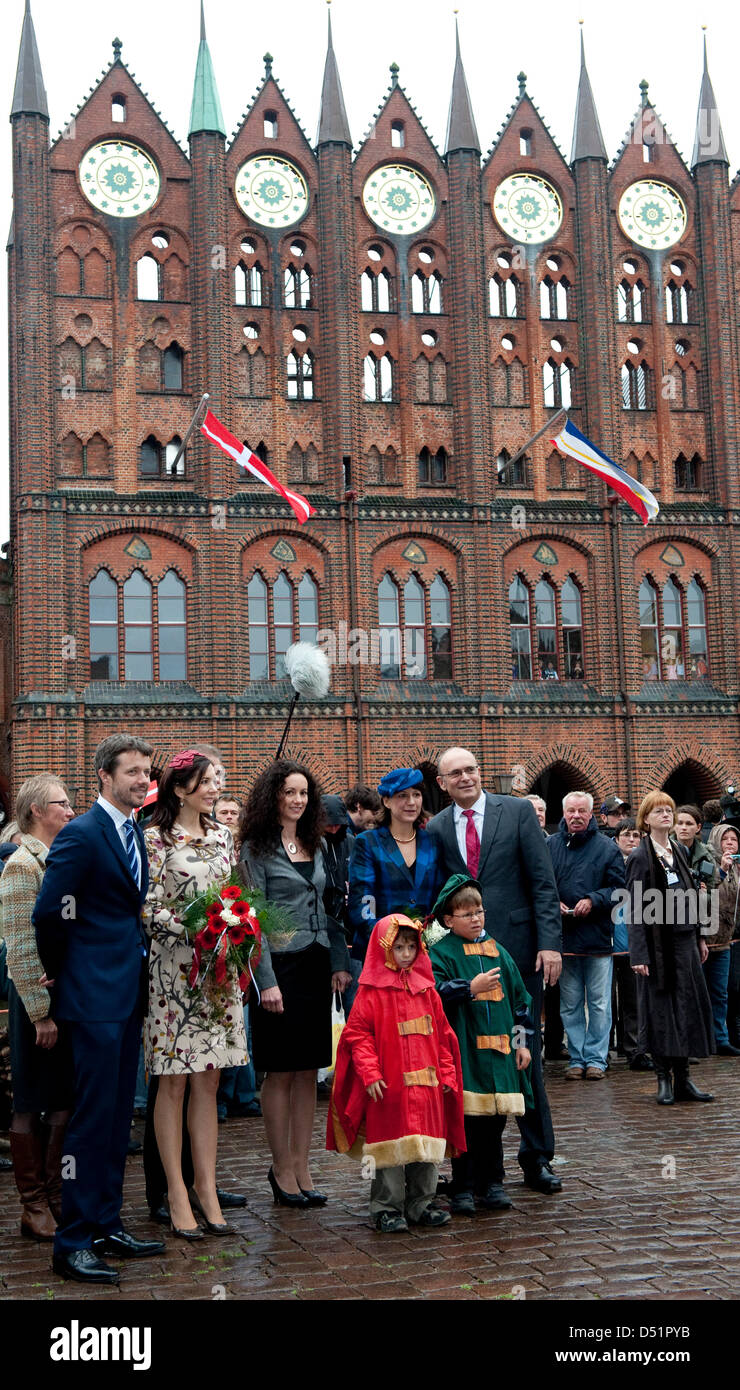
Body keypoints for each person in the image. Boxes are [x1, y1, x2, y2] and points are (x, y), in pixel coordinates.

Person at [33, 734, 165, 1285]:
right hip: (91, 1000)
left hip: (126, 995)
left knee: (116, 1119)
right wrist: (68, 978)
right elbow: (49, 915)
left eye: (146, 771)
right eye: (132, 771)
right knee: (89, 1123)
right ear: (104, 779)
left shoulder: (132, 830)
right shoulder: (82, 835)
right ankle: (73, 1242)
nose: (142, 779)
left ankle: (108, 1223)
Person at [426, 748, 563, 1195]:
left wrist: (549, 944)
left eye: (471, 769)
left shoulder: (519, 811)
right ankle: (478, 1169)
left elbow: (543, 882)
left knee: (524, 1050)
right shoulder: (439, 827)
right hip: (466, 964)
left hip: (518, 956)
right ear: (443, 783)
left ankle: (536, 1157)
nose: (465, 777)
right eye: (455, 773)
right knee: (474, 1061)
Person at [143, 749, 249, 1240]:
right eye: (206, 781)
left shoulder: (225, 836)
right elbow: (144, 909)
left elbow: (233, 897)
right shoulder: (155, 838)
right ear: (181, 788)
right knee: (174, 1082)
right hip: (173, 973)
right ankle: (176, 1191)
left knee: (208, 1080)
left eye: (218, 780)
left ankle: (207, 1187)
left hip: (218, 973)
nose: (215, 788)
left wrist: (237, 929)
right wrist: (195, 929)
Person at [240, 760, 351, 1206]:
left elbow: (329, 906)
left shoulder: (316, 843)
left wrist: (338, 961)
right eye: (289, 792)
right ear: (273, 796)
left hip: (315, 963)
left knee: (308, 1069)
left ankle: (303, 1167)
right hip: (278, 968)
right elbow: (253, 921)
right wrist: (265, 981)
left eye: (304, 793)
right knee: (280, 1070)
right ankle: (281, 1167)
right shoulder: (255, 847)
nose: (298, 800)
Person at [328, 913, 464, 1231]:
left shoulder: (427, 991)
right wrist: (370, 1073)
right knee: (387, 1148)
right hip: (389, 1088)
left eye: (410, 947)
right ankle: (386, 1207)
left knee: (427, 1146)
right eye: (398, 947)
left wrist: (447, 1074)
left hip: (427, 1086)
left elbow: (443, 1037)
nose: (405, 954)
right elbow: (358, 1036)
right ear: (384, 948)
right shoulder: (371, 992)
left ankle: (422, 1202)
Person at [428, 876, 533, 1215]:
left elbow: (520, 1001)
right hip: (467, 1055)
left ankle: (493, 1183)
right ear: (448, 920)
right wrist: (469, 988)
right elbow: (435, 995)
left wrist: (521, 1043)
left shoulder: (499, 951)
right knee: (467, 1122)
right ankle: (463, 1185)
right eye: (466, 914)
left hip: (500, 1055)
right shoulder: (441, 954)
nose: (475, 919)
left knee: (494, 1123)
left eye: (479, 912)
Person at [1, 775, 75, 1240]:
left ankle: (56, 1194)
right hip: (34, 1000)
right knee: (29, 1102)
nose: (70, 810)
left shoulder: (57, 859)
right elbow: (20, 946)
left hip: (63, 995)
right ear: (35, 811)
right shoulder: (21, 865)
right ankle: (33, 1205)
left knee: (63, 1102)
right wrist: (39, 1012)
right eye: (61, 804)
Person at [625, 791, 715, 1105]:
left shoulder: (678, 849)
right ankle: (663, 1078)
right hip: (657, 947)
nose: (665, 815)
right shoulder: (640, 856)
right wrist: (638, 954)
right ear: (646, 819)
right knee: (661, 1010)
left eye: (669, 810)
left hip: (685, 942)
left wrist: (701, 936)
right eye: (658, 811)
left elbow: (692, 896)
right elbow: (634, 908)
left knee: (686, 1009)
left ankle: (684, 1079)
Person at [548, 792, 625, 1080]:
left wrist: (594, 899)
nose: (576, 816)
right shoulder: (550, 845)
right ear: (564, 813)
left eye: (582, 811)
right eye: (571, 811)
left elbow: (619, 889)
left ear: (591, 814)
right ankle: (577, 1058)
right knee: (569, 1003)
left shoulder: (607, 848)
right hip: (564, 938)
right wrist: (552, 902)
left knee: (600, 1003)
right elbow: (542, 884)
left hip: (597, 937)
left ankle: (596, 1058)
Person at [347, 768, 443, 963]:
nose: (411, 802)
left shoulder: (432, 841)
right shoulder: (369, 842)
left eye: (416, 795)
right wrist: (392, 944)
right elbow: (363, 900)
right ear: (386, 801)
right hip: (378, 951)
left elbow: (440, 900)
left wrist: (425, 942)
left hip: (423, 953)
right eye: (402, 796)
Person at [611, 818, 653, 1071]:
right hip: (608, 940)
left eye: (636, 835)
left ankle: (634, 1050)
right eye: (626, 835)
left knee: (633, 1001)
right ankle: (605, 1049)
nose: (631, 840)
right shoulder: (609, 862)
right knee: (605, 1002)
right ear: (616, 839)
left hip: (632, 942)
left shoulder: (645, 863)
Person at [705, 824, 740, 1055]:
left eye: (734, 839)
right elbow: (708, 892)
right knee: (701, 992)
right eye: (725, 838)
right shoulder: (708, 862)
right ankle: (703, 1039)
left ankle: (720, 1038)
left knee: (721, 991)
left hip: (726, 938)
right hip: (705, 937)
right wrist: (722, 869)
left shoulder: (738, 868)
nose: (729, 842)